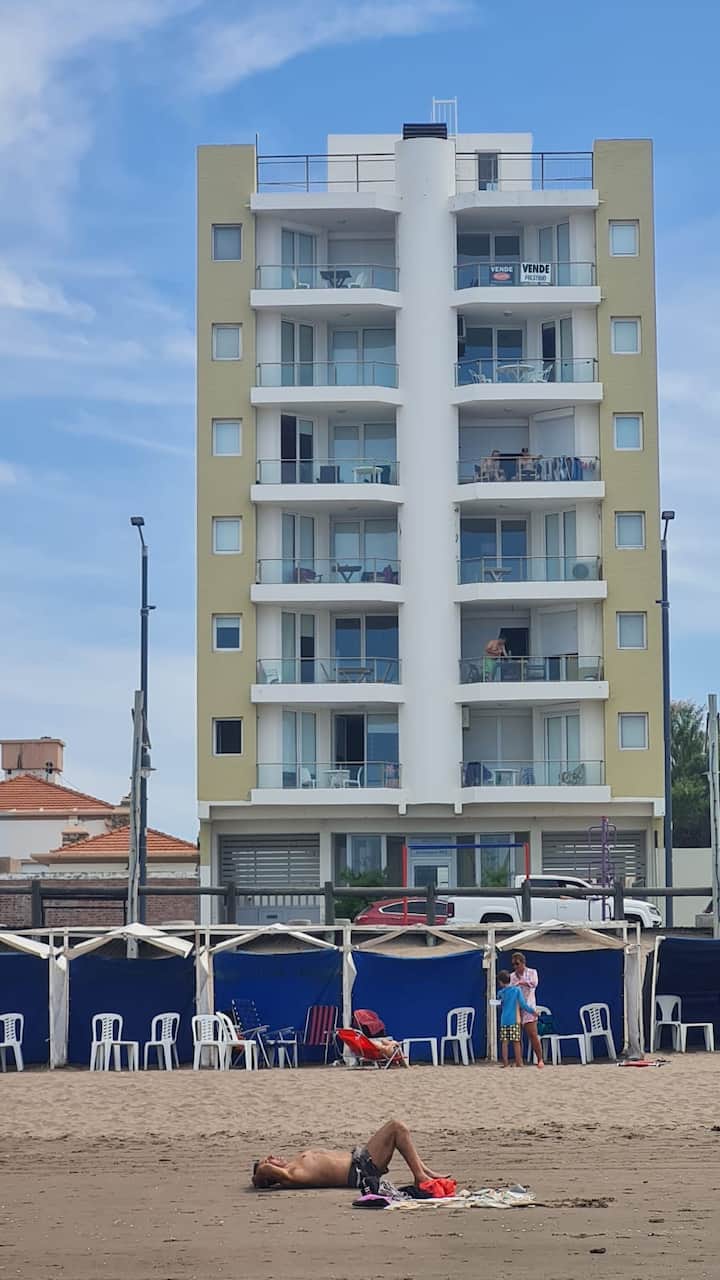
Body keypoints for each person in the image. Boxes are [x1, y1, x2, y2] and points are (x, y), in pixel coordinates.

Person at [251, 1118, 442, 1191]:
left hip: (359, 1160)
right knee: (397, 1127)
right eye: (267, 1161)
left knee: (397, 1130)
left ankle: (423, 1171)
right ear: (269, 1174)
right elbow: (262, 1173)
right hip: (360, 1170)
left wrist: (264, 1169)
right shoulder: (290, 1176)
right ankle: (420, 1176)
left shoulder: (293, 1166)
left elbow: (265, 1171)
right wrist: (261, 1171)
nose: (270, 1157)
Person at [510, 950, 544, 1068]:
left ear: (523, 963)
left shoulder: (532, 972)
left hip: (528, 1006)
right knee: (517, 1036)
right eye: (513, 964)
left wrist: (523, 982)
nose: (515, 966)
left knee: (533, 1034)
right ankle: (519, 1061)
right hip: (517, 1007)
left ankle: (540, 1059)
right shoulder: (512, 976)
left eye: (517, 964)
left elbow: (534, 983)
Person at [496, 970, 536, 1066]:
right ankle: (519, 1062)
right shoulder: (517, 990)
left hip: (504, 1020)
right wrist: (532, 1011)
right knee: (516, 1041)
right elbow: (523, 1004)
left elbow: (500, 1005)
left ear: (500, 982)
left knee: (504, 1042)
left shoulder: (500, 993)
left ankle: (505, 1063)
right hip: (515, 1019)